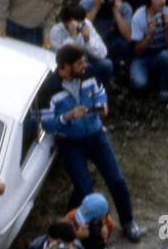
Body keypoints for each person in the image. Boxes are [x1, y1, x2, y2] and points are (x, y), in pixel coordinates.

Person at [41, 45, 142, 239]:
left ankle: (128, 222)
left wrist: (102, 105)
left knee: (117, 180)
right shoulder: (49, 90)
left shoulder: (89, 75)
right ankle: (89, 231)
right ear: (65, 67)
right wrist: (67, 116)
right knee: (85, 190)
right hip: (70, 144)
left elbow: (100, 93)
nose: (84, 65)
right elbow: (46, 124)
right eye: (79, 63)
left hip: (96, 136)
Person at [128, 0, 168, 100]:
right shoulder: (139, 16)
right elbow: (137, 51)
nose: (162, 1)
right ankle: (148, 85)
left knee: (167, 56)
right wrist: (150, 35)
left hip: (162, 54)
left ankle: (164, 90)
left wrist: (167, 29)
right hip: (143, 57)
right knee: (138, 83)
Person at [50, 3, 112, 86]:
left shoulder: (86, 24)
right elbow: (60, 57)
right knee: (86, 69)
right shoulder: (56, 31)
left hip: (87, 59)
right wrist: (73, 37)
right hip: (69, 65)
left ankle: (101, 90)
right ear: (66, 21)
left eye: (81, 21)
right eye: (76, 21)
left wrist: (87, 39)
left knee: (106, 64)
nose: (79, 25)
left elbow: (103, 53)